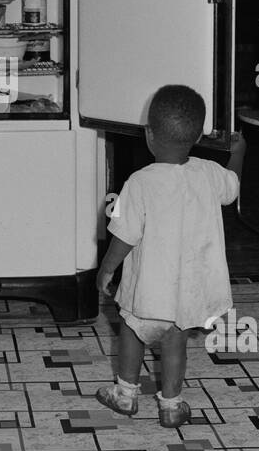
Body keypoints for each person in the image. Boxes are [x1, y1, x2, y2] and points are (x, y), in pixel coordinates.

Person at [95, 85, 246, 427]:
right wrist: (238, 151)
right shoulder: (208, 172)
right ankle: (172, 406)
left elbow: (124, 235)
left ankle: (125, 395)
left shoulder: (140, 182)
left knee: (131, 333)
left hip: (146, 291)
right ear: (197, 136)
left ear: (149, 134)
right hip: (186, 294)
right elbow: (233, 185)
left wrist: (106, 269)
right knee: (175, 343)